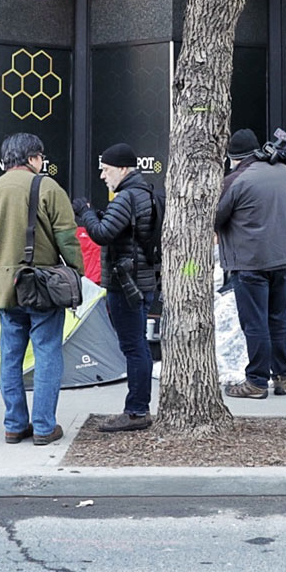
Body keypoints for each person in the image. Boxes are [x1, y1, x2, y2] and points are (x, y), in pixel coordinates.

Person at [0, 133, 81, 445]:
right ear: (33, 158)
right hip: (43, 285)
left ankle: (14, 425)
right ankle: (45, 427)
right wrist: (76, 273)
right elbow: (67, 237)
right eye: (41, 157)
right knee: (47, 353)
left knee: (10, 356)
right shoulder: (47, 187)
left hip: (5, 288)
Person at [74, 143, 160, 431]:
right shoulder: (145, 193)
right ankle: (139, 407)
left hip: (126, 285)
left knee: (133, 347)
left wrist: (86, 213)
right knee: (139, 346)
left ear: (123, 169)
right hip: (142, 281)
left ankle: (136, 411)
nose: (102, 176)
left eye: (106, 169)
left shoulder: (126, 197)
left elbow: (102, 234)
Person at [215, 129, 286, 400]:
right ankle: (283, 377)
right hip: (283, 260)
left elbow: (215, 218)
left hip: (250, 261)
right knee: (278, 319)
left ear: (234, 157)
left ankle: (256, 381)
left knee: (255, 323)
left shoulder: (235, 180)